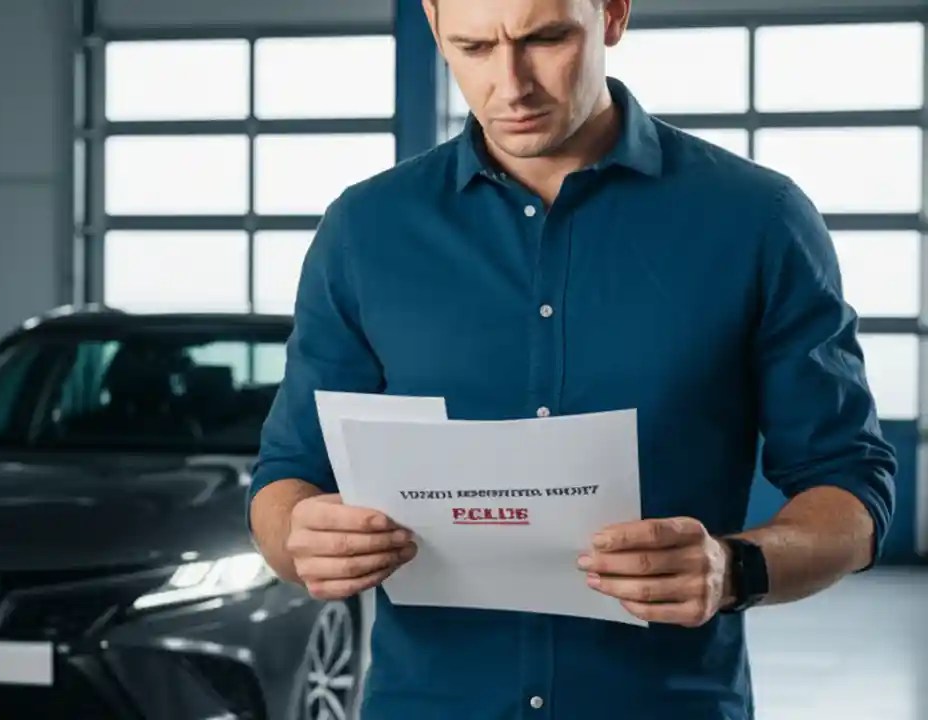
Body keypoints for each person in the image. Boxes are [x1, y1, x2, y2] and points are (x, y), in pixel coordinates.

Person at [246, 0, 898, 717]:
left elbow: (850, 490)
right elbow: (285, 481)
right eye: (474, 47)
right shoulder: (364, 231)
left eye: (545, 38)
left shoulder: (759, 220)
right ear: (433, 26)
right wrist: (300, 537)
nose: (511, 84)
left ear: (612, 14)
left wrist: (734, 568)